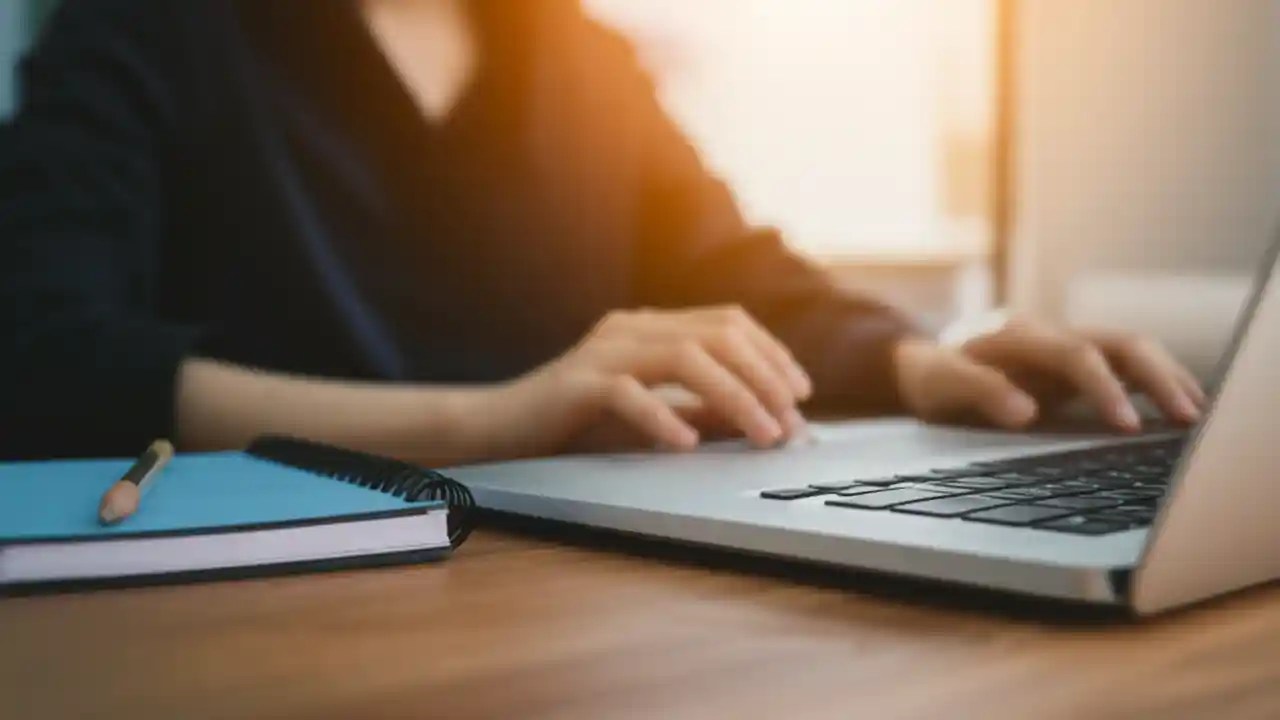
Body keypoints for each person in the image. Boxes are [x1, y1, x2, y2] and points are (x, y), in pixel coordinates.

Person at [0, 0, 1205, 463]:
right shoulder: (145, 31)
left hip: (561, 598)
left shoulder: (581, 57)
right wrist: (490, 421)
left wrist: (927, 355)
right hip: (255, 619)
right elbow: (45, 361)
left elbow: (735, 279)